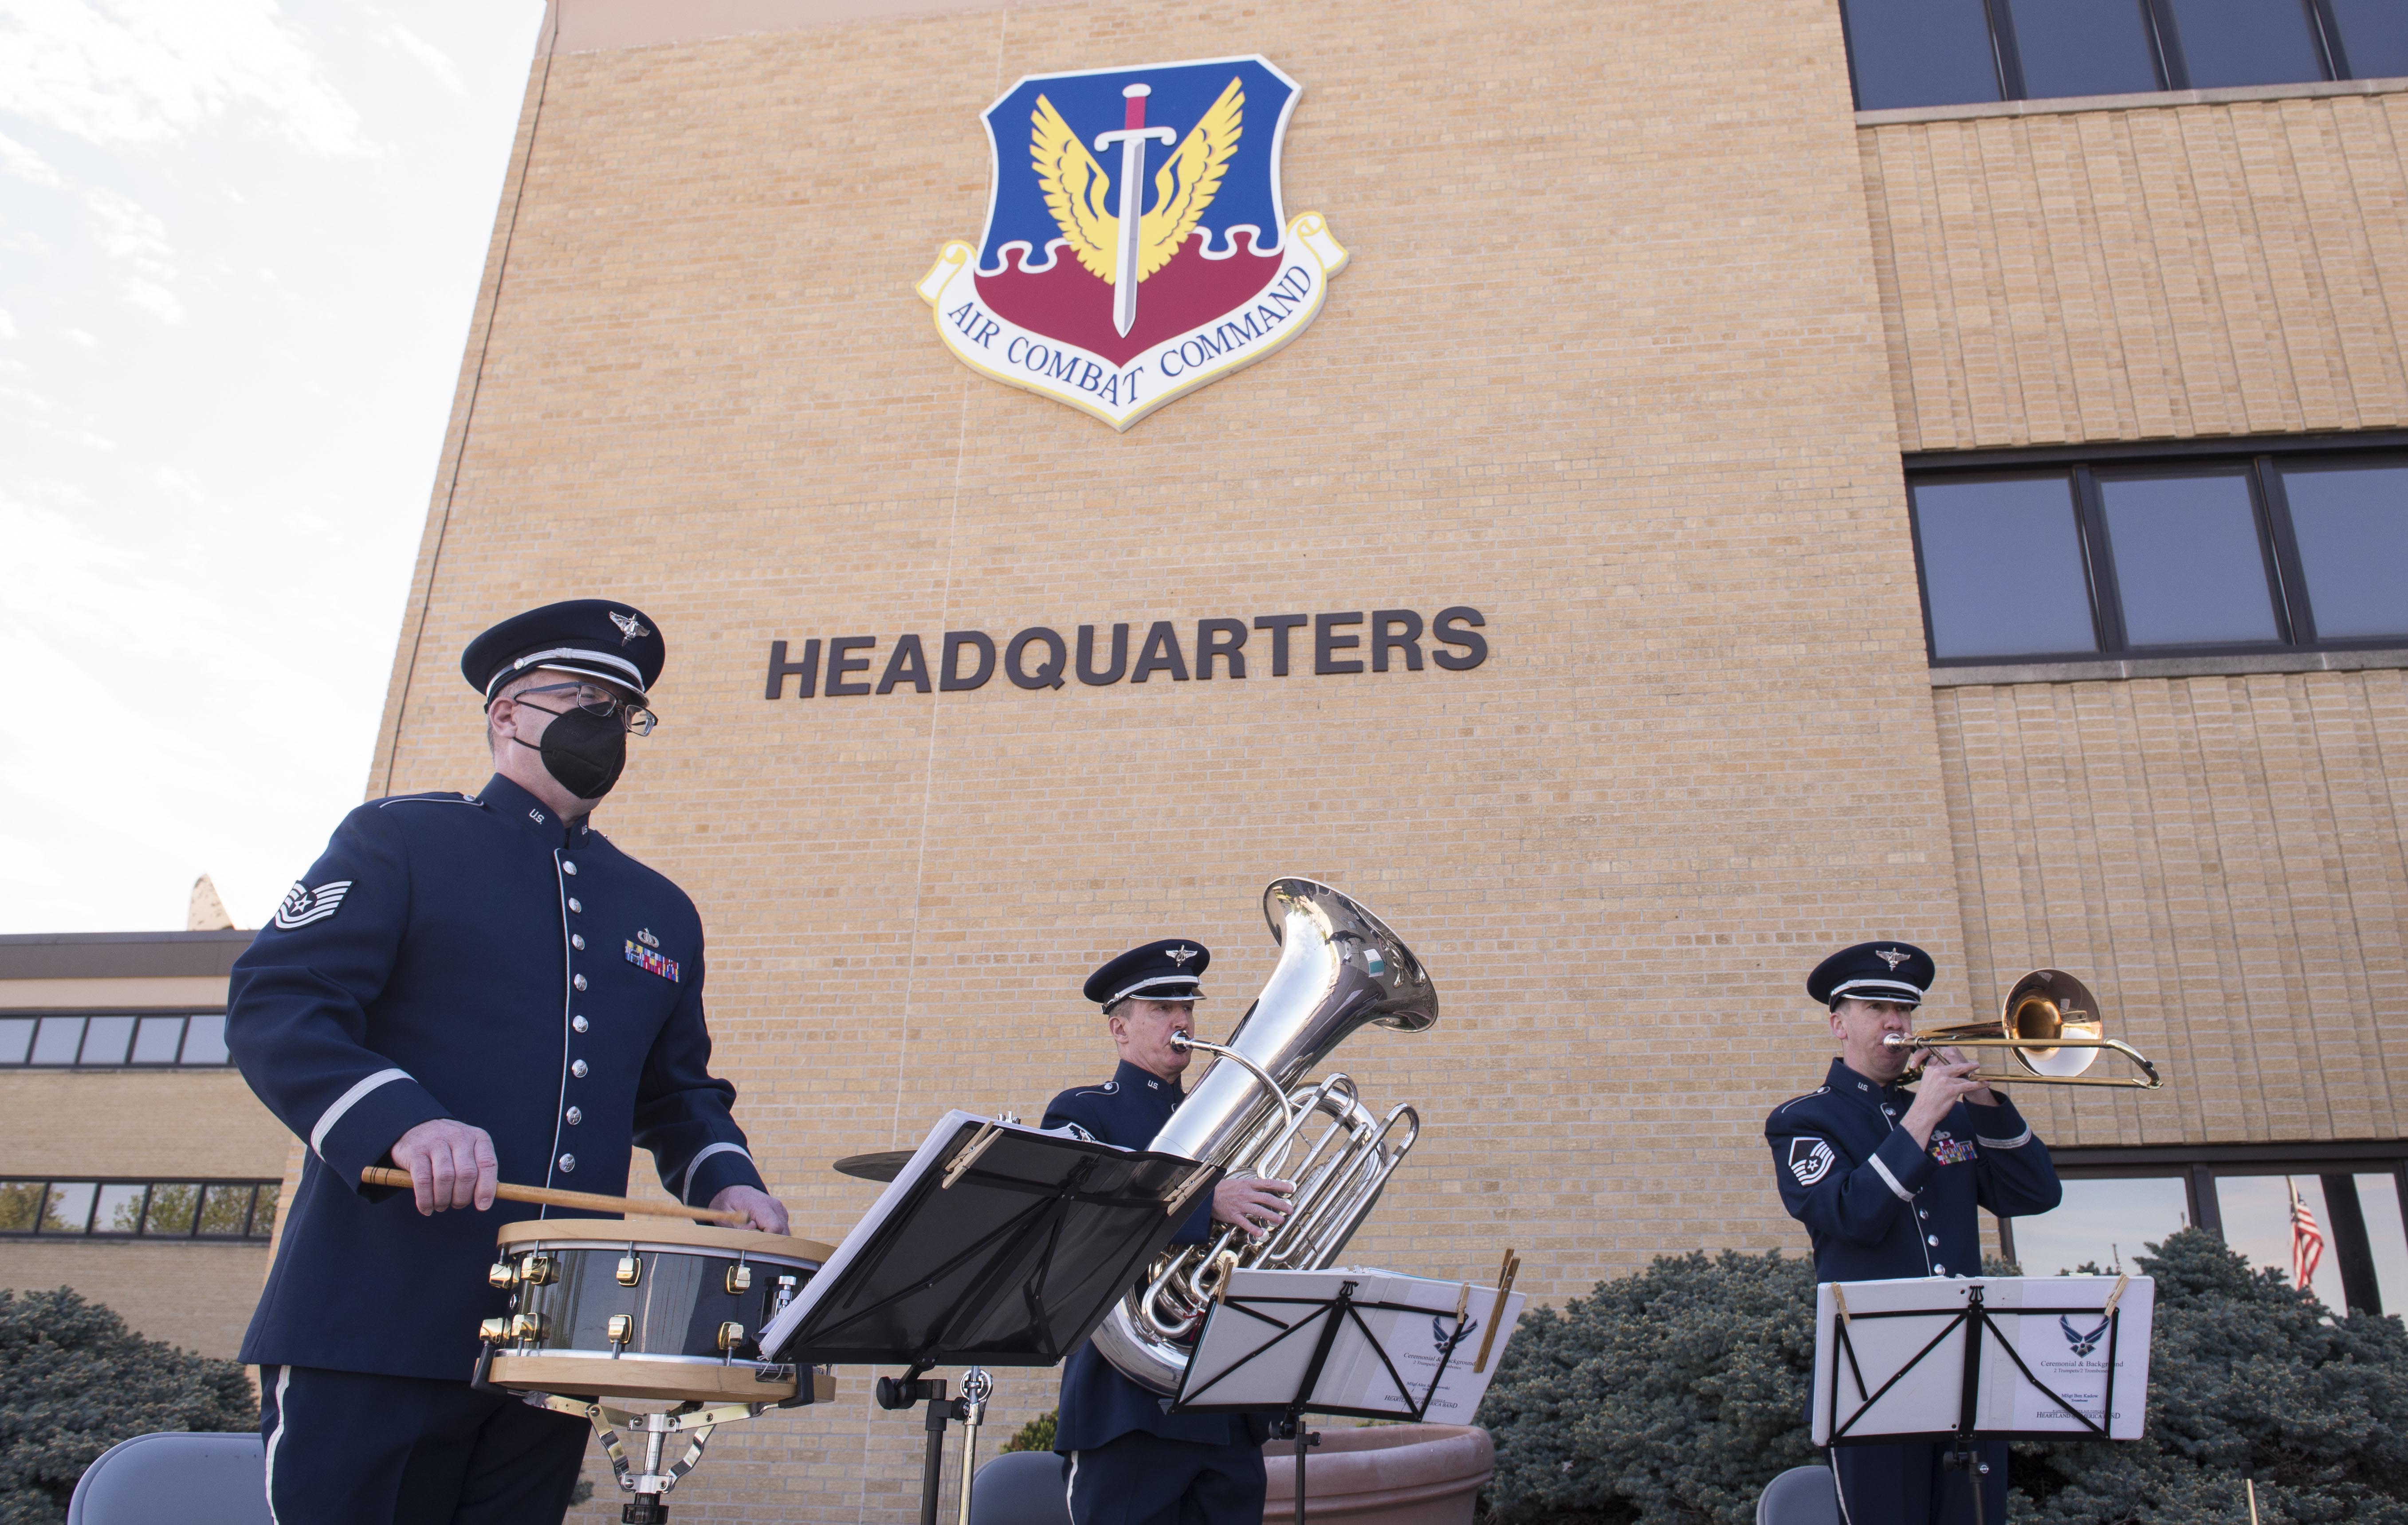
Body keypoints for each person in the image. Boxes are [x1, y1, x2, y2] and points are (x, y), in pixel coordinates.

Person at [226, 599, 792, 1525]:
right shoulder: (400, 840)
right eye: (579, 697)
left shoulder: (658, 908)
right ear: (506, 714)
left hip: (551, 1346)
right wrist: (403, 1120)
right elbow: (278, 1005)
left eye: (622, 711)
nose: (603, 725)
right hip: (377, 1319)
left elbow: (678, 1091)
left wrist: (728, 1184)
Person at [1764, 941, 2063, 1525]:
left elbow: (2034, 1194)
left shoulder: (1953, 1111)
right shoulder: (1803, 1119)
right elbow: (1852, 1214)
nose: (1894, 1022)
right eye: (1875, 1007)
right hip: (1869, 1380)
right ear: (1838, 1024)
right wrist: (1920, 1115)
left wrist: (1982, 1099)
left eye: (1903, 1010)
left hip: (1968, 1373)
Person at [1042, 939, 1296, 1525]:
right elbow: (1079, 1215)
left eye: (1186, 1006)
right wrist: (1207, 1204)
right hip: (1126, 1405)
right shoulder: (1083, 1113)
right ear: (1119, 1029)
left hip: (1222, 1404)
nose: (1181, 1019)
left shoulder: (1229, 1122)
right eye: (1160, 1008)